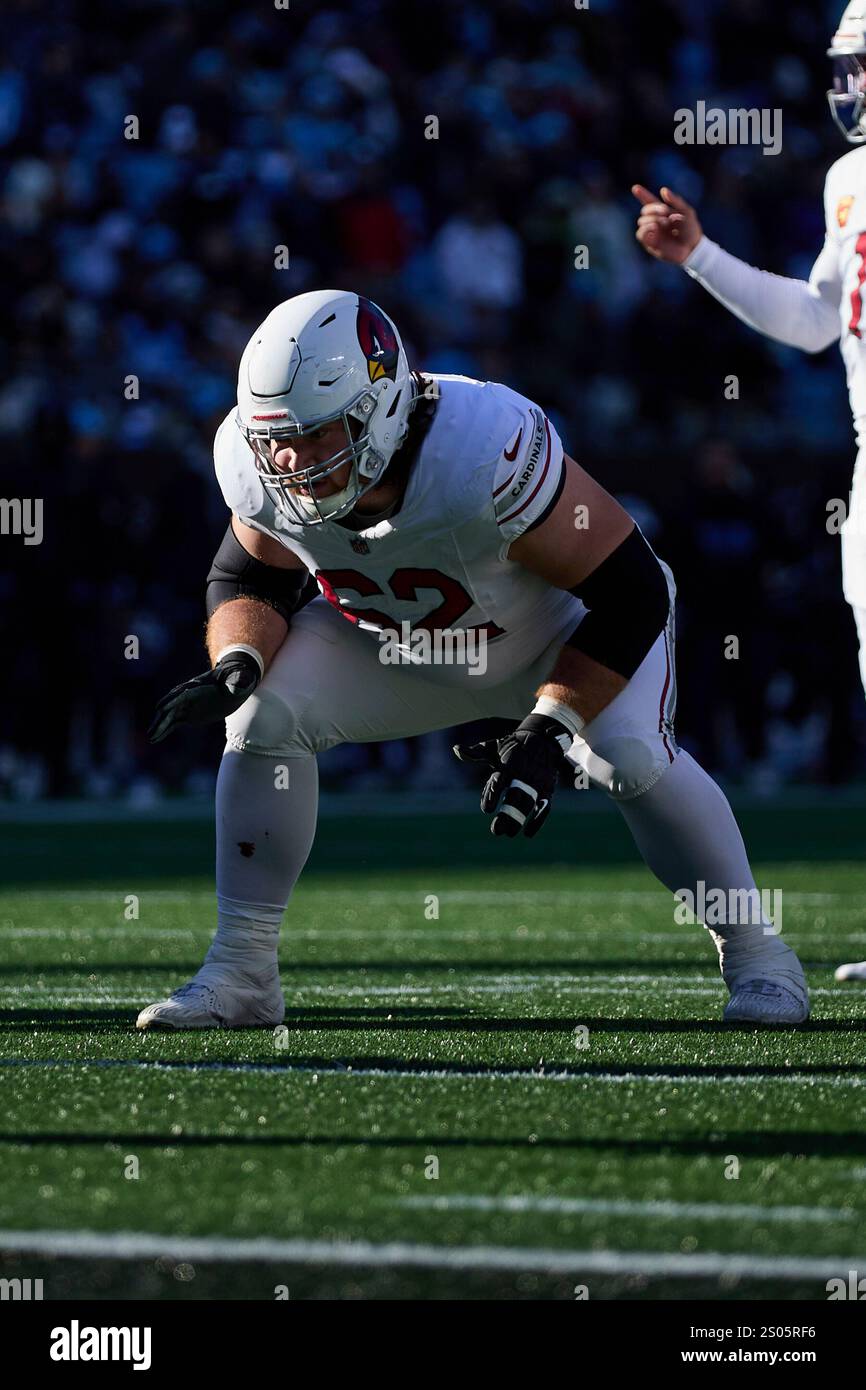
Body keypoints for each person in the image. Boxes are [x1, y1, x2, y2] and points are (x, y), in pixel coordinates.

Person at [139, 288, 809, 1028]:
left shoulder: (482, 445)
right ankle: (242, 973)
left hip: (557, 636)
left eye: (319, 434)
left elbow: (632, 594)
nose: (291, 460)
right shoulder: (258, 459)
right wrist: (239, 660)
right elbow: (250, 575)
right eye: (277, 438)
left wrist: (551, 729)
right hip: (404, 646)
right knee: (263, 712)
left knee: (626, 756)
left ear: (382, 407)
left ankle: (759, 956)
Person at [632, 1, 866, 985]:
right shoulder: (847, 178)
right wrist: (700, 257)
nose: (846, 85)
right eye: (842, 66)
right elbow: (817, 323)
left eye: (861, 65)